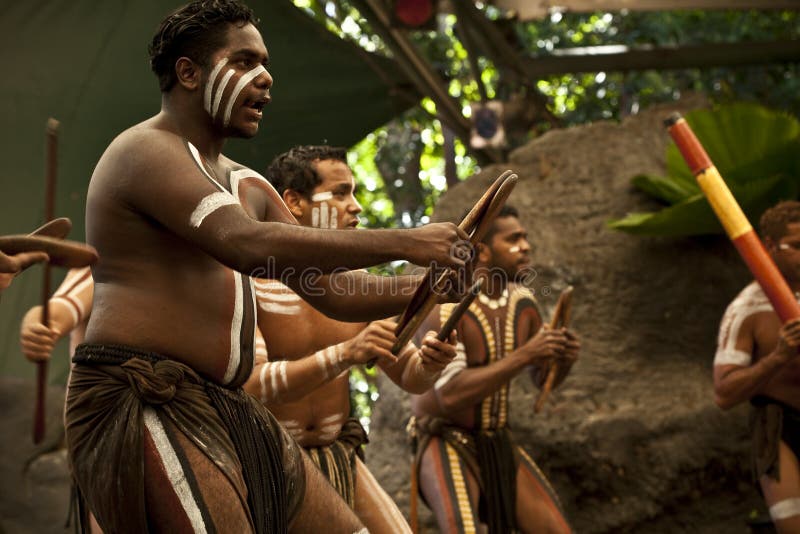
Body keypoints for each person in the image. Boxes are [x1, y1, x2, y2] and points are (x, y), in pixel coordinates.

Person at [66, 2, 469, 533]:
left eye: (265, 63)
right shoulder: (145, 151)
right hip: (146, 395)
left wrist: (433, 285)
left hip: (225, 405)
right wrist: (410, 242)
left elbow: (330, 290)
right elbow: (244, 244)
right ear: (188, 73)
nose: (265, 78)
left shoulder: (247, 185)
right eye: (244, 61)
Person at [243, 145, 457, 533]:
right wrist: (344, 354)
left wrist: (432, 363)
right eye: (340, 193)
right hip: (268, 464)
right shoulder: (252, 285)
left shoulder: (357, 287)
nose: (355, 206)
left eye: (354, 193)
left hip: (338, 457)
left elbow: (411, 376)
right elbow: (252, 387)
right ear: (294, 202)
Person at [409, 205, 579, 533]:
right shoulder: (446, 307)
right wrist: (525, 355)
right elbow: (449, 395)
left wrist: (564, 359)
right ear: (483, 252)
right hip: (445, 440)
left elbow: (542, 379)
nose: (525, 246)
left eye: (525, 237)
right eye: (513, 239)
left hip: (497, 439)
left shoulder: (523, 303)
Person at [713, 200, 800, 533]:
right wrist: (779, 357)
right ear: (769, 246)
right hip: (779, 425)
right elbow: (724, 393)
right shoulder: (747, 309)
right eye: (797, 246)